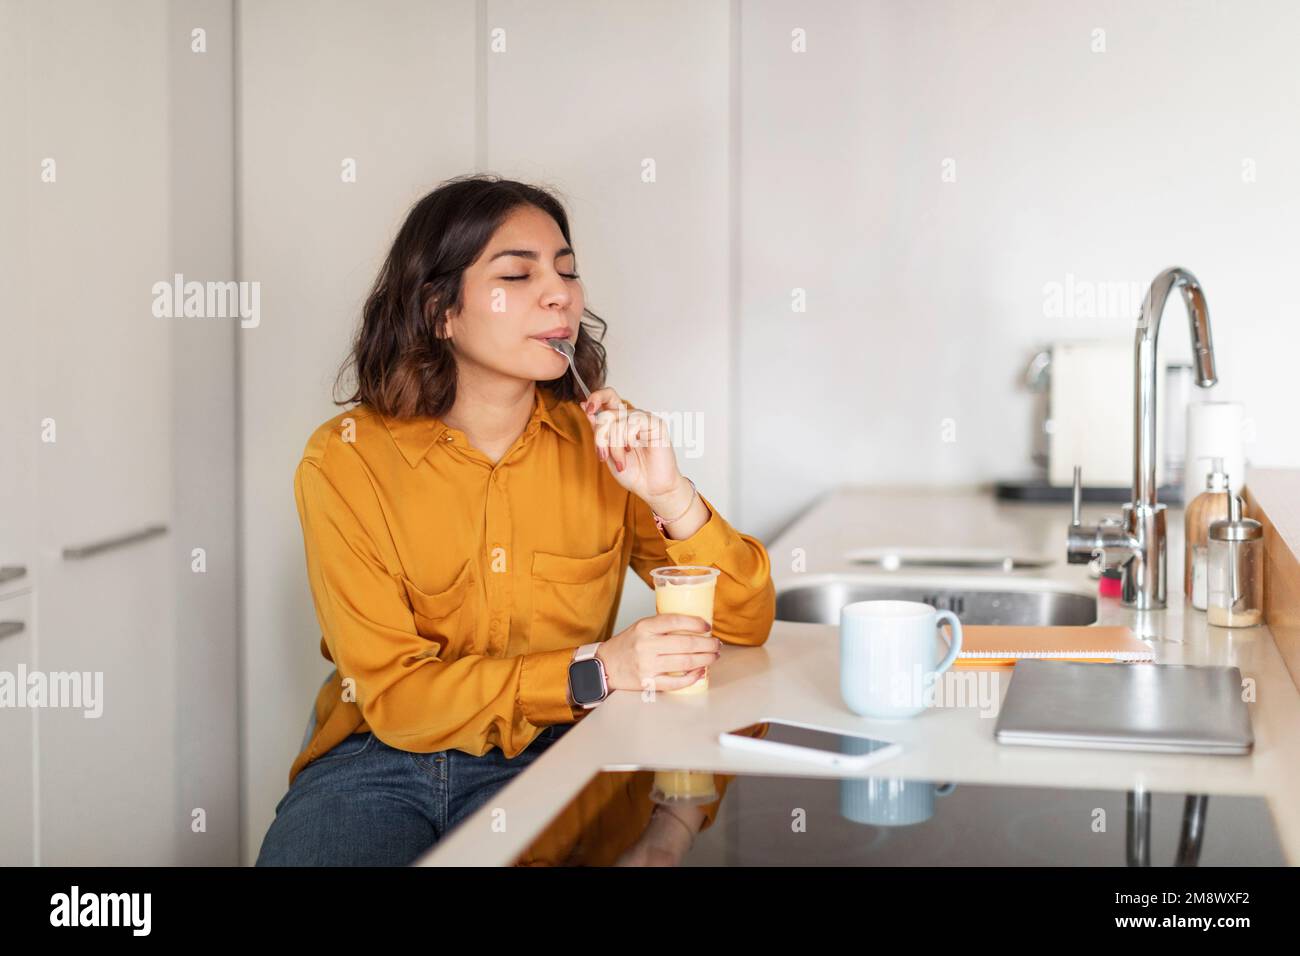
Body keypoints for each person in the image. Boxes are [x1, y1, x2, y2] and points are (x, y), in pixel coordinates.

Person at [255, 174, 775, 866]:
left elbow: (747, 620)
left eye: (566, 272)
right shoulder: (345, 462)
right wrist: (596, 668)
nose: (559, 293)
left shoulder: (604, 452)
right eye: (517, 274)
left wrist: (669, 492)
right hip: (375, 763)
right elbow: (399, 699)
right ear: (440, 309)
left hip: (556, 749)